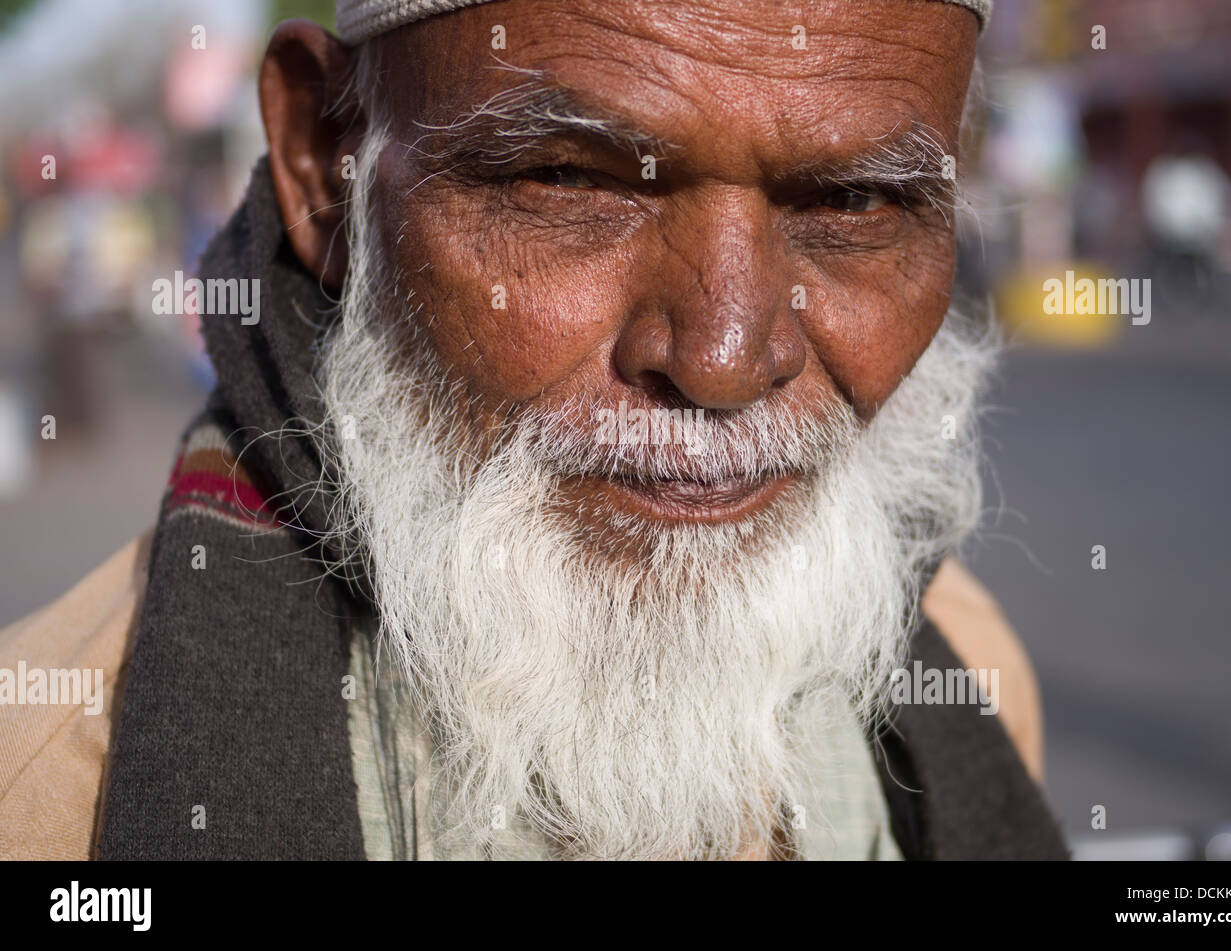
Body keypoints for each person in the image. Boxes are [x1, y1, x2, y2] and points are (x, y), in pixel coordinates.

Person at [0, 0, 1067, 860]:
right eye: (568, 181)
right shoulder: (49, 801)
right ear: (328, 168)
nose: (724, 359)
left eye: (852, 202)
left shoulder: (962, 671)